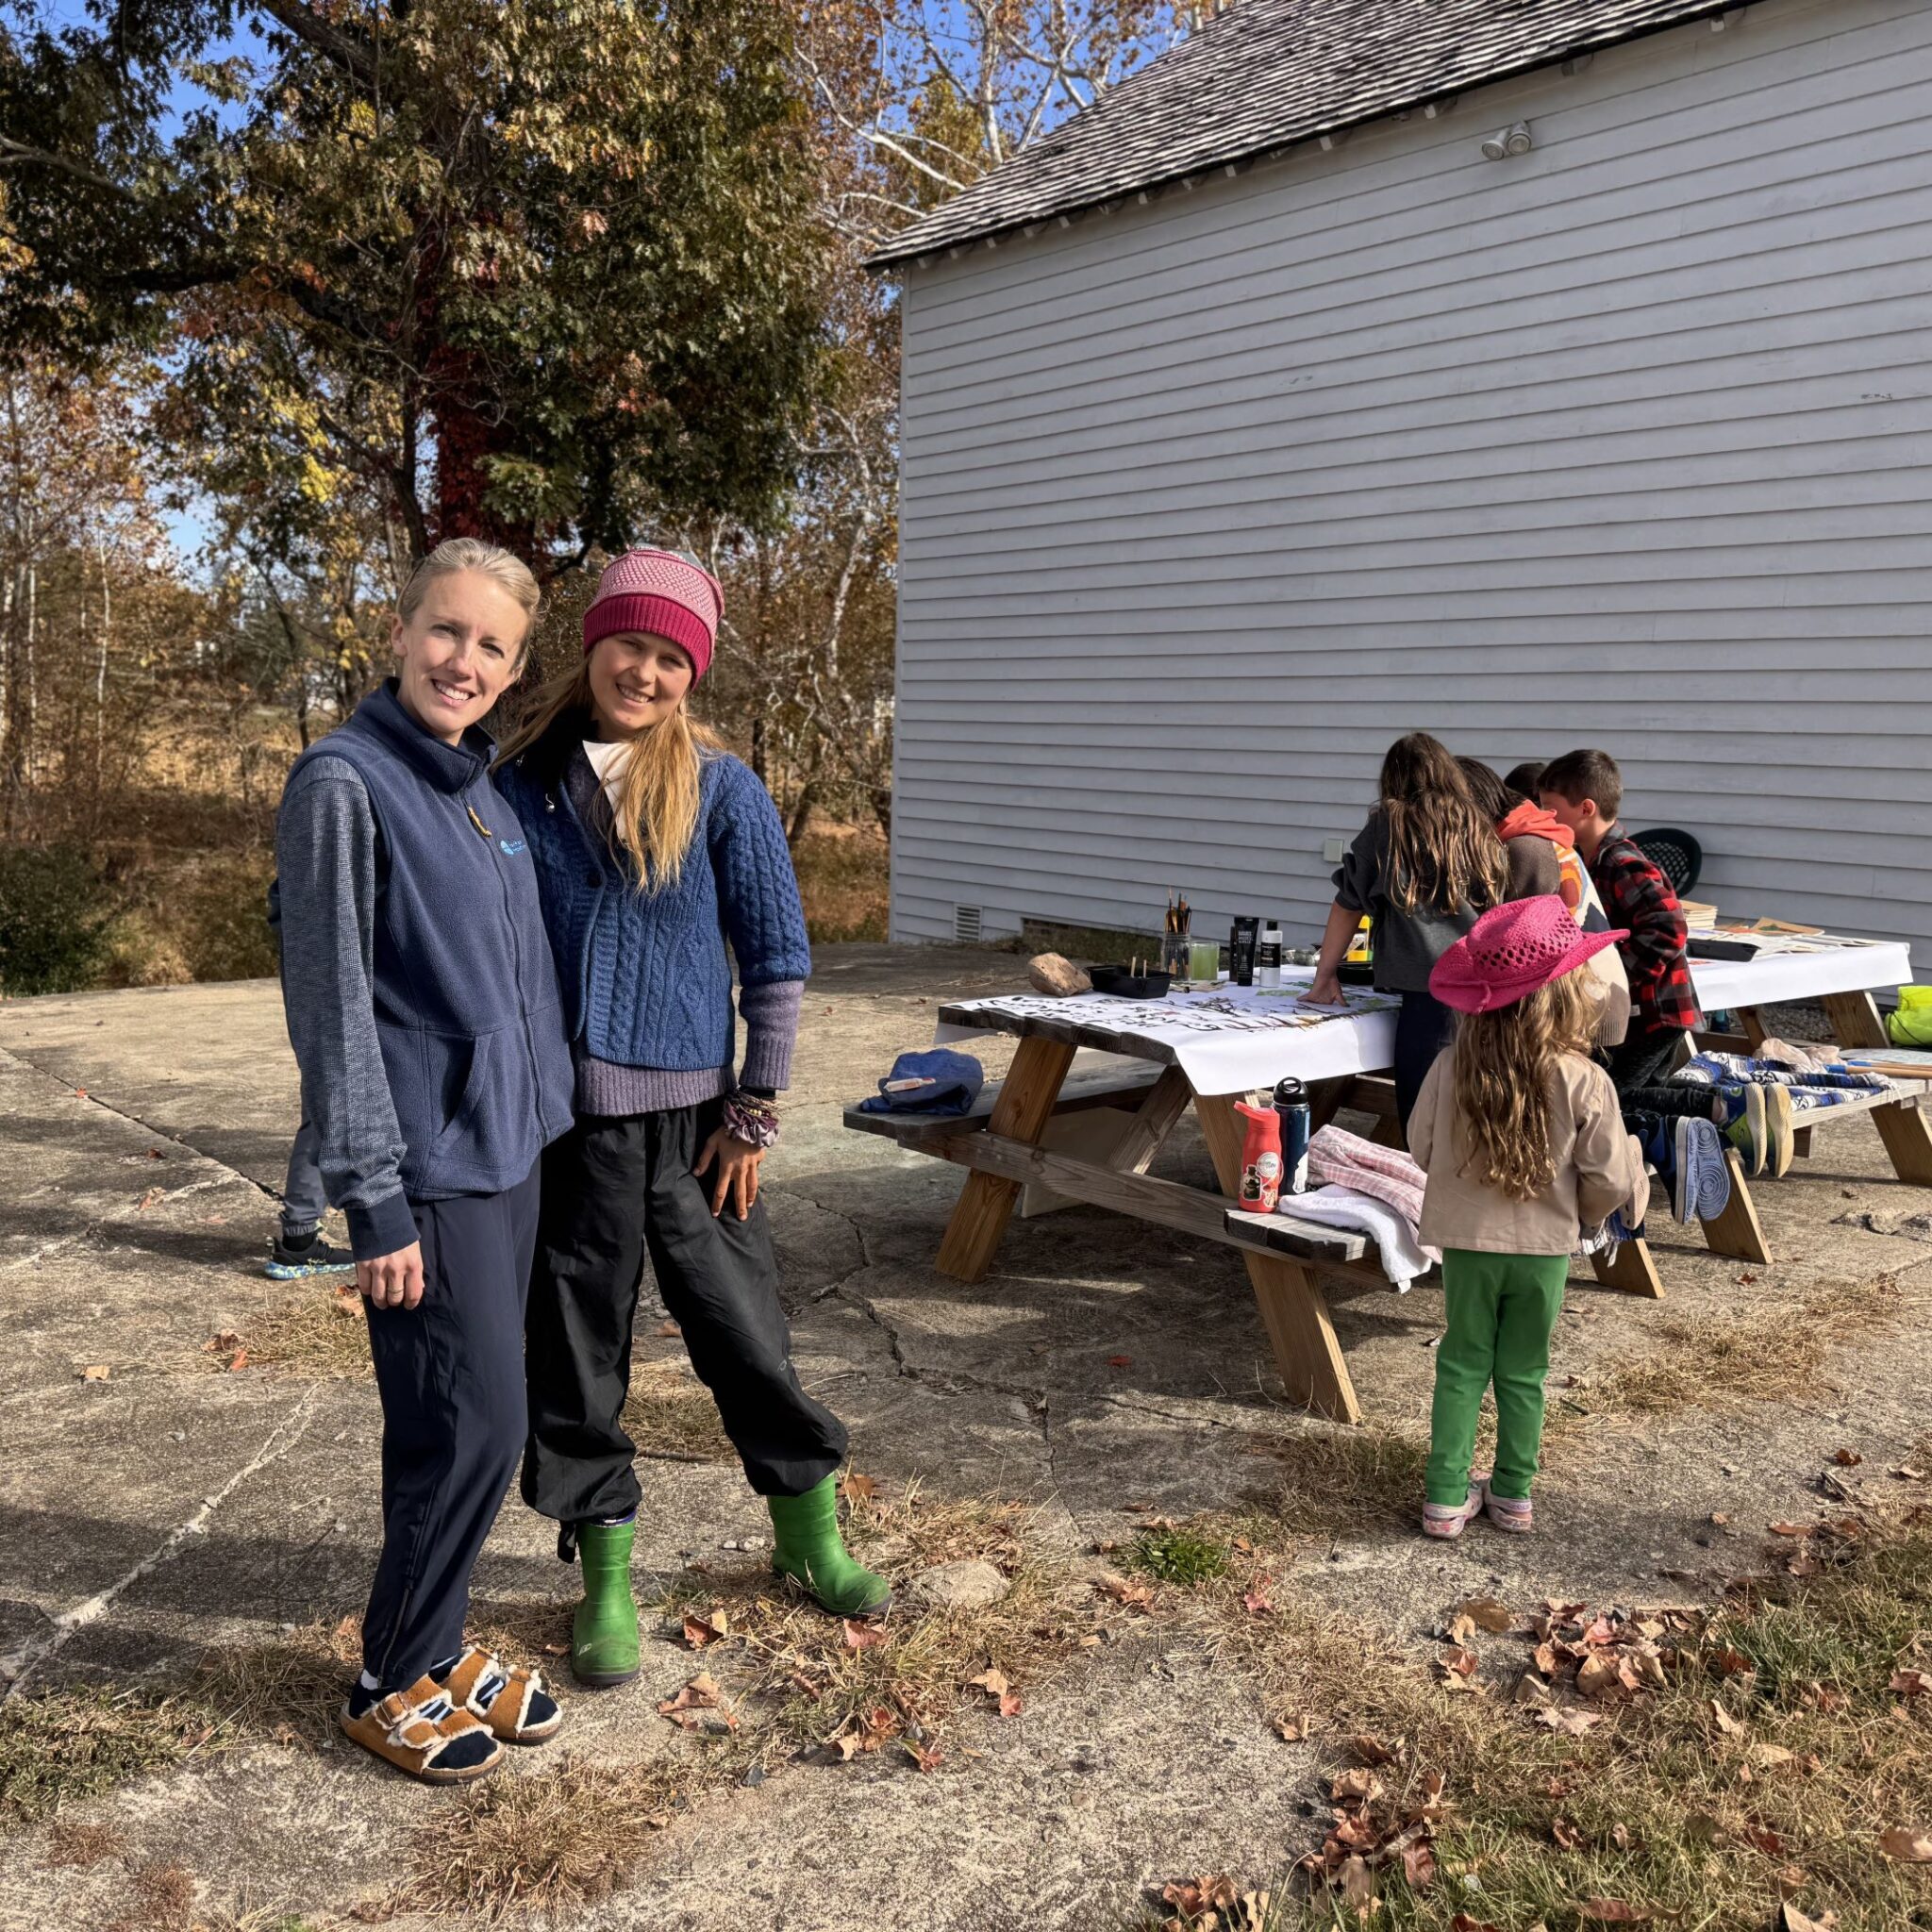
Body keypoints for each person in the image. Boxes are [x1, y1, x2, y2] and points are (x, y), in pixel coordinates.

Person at [497, 546, 885, 1693]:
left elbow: (775, 959)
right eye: (632, 644)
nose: (648, 670)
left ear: (692, 673)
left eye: (673, 656)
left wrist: (754, 1110)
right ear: (594, 641)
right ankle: (603, 1572)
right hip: (567, 1133)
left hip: (694, 1130)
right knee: (573, 1355)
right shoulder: (523, 780)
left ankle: (806, 1531)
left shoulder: (722, 789)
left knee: (741, 1333)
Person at [275, 538, 575, 1784]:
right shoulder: (344, 783)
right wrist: (373, 1201)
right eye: (446, 632)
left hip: (509, 1155)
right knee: (472, 1427)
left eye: (492, 645)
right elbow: (333, 1005)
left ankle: (437, 1645)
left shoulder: (481, 791)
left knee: (462, 1425)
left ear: (512, 672)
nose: (465, 660)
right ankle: (387, 1675)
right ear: (398, 634)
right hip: (427, 1169)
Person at [1408, 897, 1648, 1539]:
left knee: (1461, 1363)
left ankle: (1444, 1496)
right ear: (1568, 992)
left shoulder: (1449, 1065)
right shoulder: (1584, 1078)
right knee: (1524, 1371)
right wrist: (1583, 1217)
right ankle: (1513, 1494)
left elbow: (1421, 1146)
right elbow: (1609, 1179)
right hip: (1544, 1249)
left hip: (1467, 1243)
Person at [1303, 733, 1507, 1132]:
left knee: (1422, 1123)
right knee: (1469, 1118)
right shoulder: (1479, 826)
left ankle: (1425, 1192)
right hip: (1483, 993)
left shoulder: (1390, 824)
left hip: (1427, 996)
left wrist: (1325, 974)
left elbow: (1348, 902)